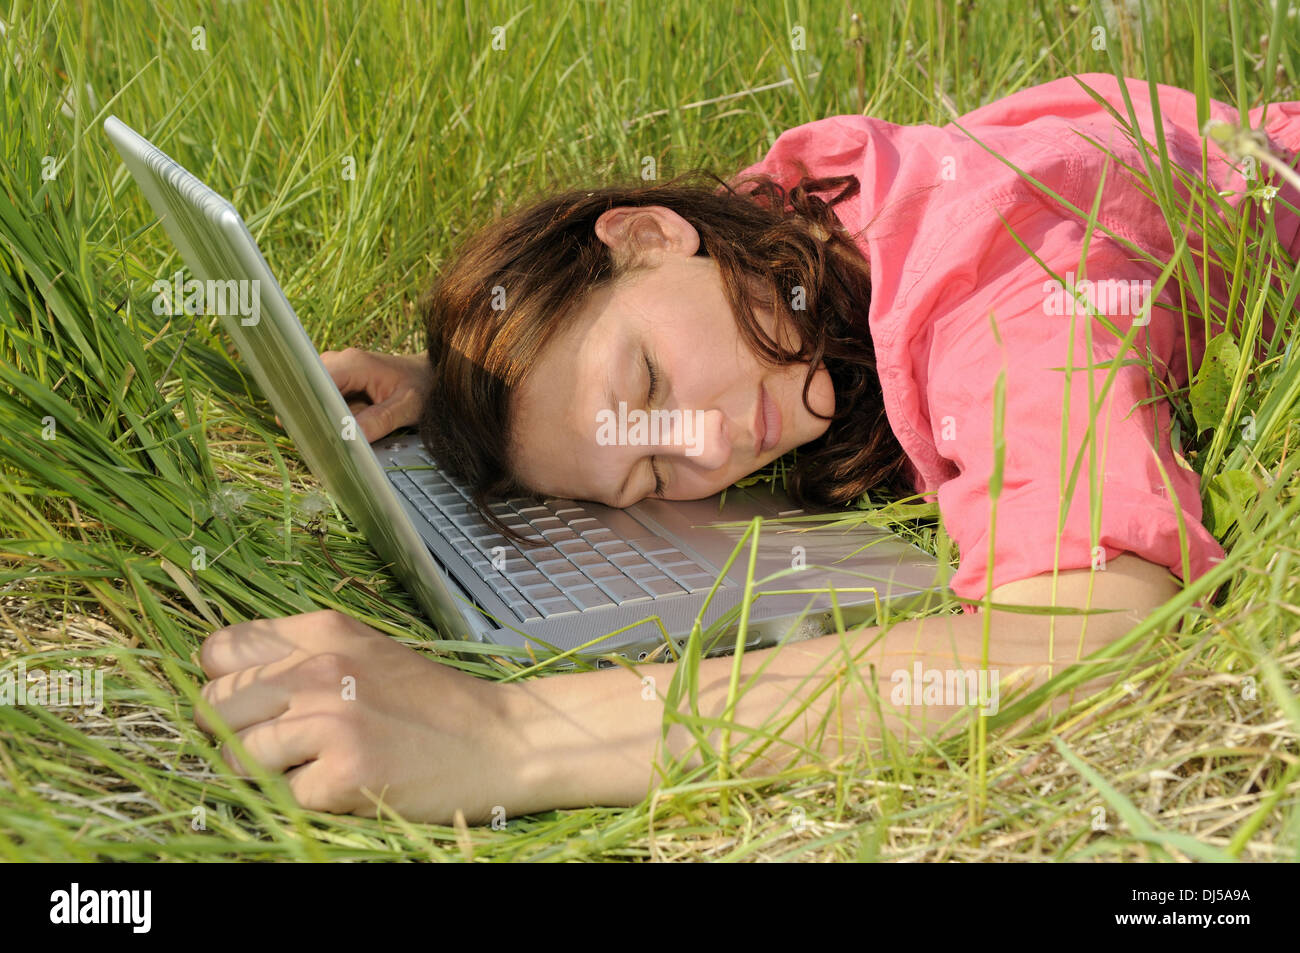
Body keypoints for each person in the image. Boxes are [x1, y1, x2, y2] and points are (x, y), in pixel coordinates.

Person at [195, 73, 1299, 824]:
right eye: (648, 470)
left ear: (643, 231)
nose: (712, 444)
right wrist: (461, 392)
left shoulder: (995, 287)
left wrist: (507, 730)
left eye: (649, 383)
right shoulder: (772, 239)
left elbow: (1087, 634)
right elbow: (612, 362)